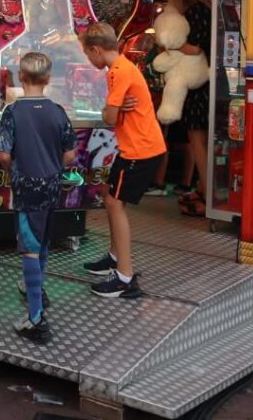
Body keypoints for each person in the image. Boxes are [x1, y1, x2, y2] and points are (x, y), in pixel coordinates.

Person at [79, 21, 166, 299]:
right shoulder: (124, 67)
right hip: (137, 148)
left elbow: (110, 117)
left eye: (87, 54)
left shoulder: (118, 72)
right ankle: (116, 257)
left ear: (95, 50)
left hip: (139, 151)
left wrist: (110, 109)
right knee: (110, 196)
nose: (88, 59)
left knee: (115, 204)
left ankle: (125, 277)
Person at [0, 51, 78, 344]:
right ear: (47, 78)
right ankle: (38, 294)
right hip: (51, 185)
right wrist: (53, 166)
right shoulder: (57, 111)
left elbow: (3, 154)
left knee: (29, 246)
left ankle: (35, 317)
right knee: (42, 241)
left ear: (21, 76)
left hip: (26, 187)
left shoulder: (13, 112)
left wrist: (15, 167)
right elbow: (69, 153)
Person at [168, 0, 214, 217]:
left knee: (198, 142)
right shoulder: (209, 8)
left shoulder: (194, 12)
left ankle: (206, 194)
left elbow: (194, 49)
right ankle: (205, 190)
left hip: (197, 85)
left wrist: (171, 44)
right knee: (206, 142)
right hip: (212, 82)